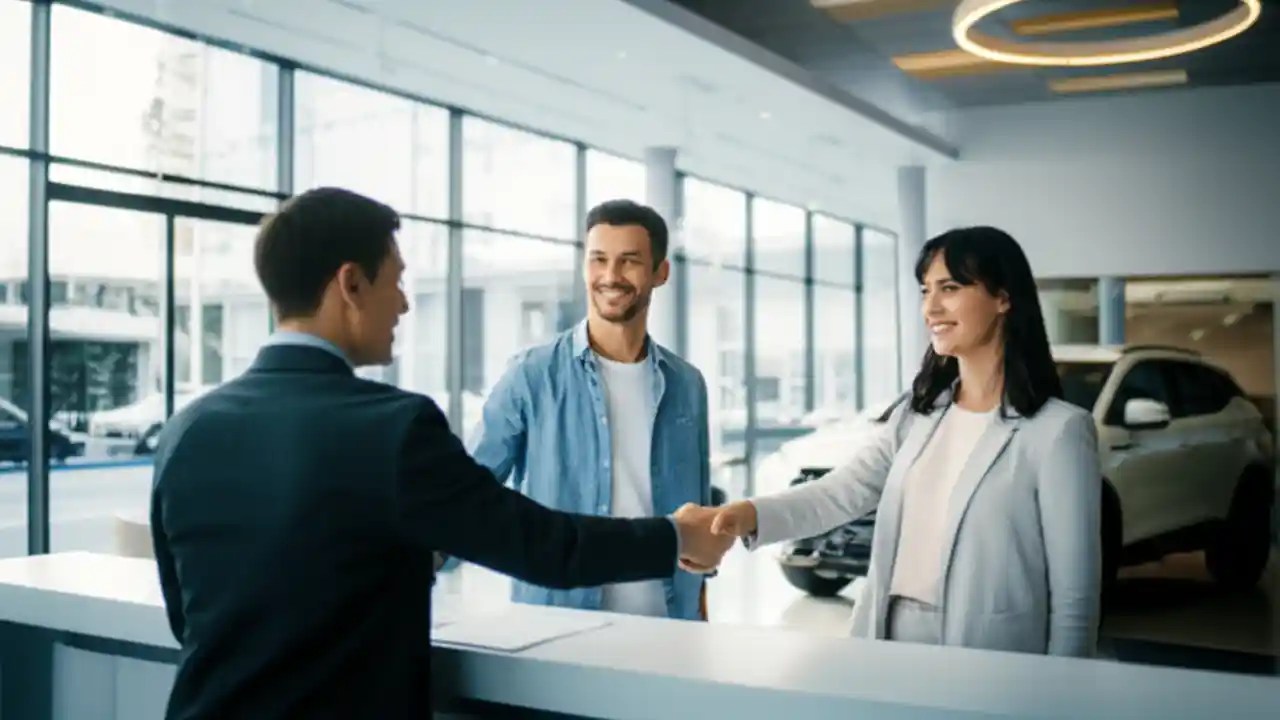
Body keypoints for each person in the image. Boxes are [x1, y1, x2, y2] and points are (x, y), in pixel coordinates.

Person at [148, 187, 733, 720]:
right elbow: (538, 544)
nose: (403, 304)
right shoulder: (394, 429)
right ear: (352, 285)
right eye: (396, 280)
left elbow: (187, 617)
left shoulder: (185, 431)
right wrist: (675, 537)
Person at [709, 226, 1102, 657]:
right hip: (887, 637)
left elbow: (1074, 599)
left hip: (994, 658)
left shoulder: (1059, 432)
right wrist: (744, 514)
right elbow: (841, 493)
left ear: (1003, 298)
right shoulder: (917, 414)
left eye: (949, 288)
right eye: (924, 290)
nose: (931, 307)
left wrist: (1068, 693)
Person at [467, 199, 712, 621]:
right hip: (559, 622)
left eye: (629, 261)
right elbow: (466, 493)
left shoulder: (687, 384)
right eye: (598, 260)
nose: (610, 276)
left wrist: (700, 611)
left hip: (669, 623)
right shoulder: (532, 375)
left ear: (660, 272)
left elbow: (697, 510)